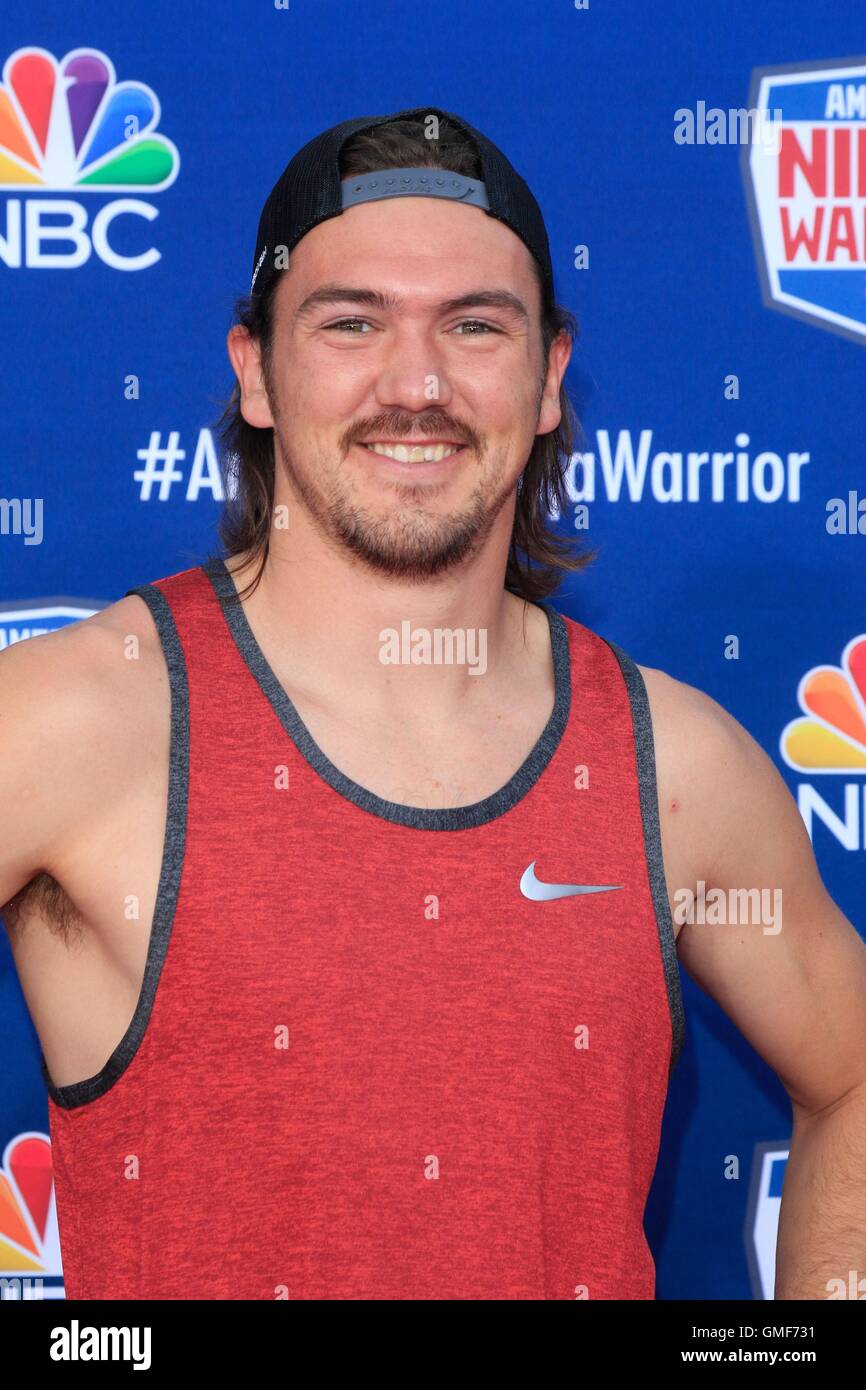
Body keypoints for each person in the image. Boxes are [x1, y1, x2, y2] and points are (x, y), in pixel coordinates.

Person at [2, 106, 865, 1301]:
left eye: (473, 326)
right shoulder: (69, 724)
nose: (416, 384)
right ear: (254, 370)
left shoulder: (673, 764)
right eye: (351, 324)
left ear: (548, 376)